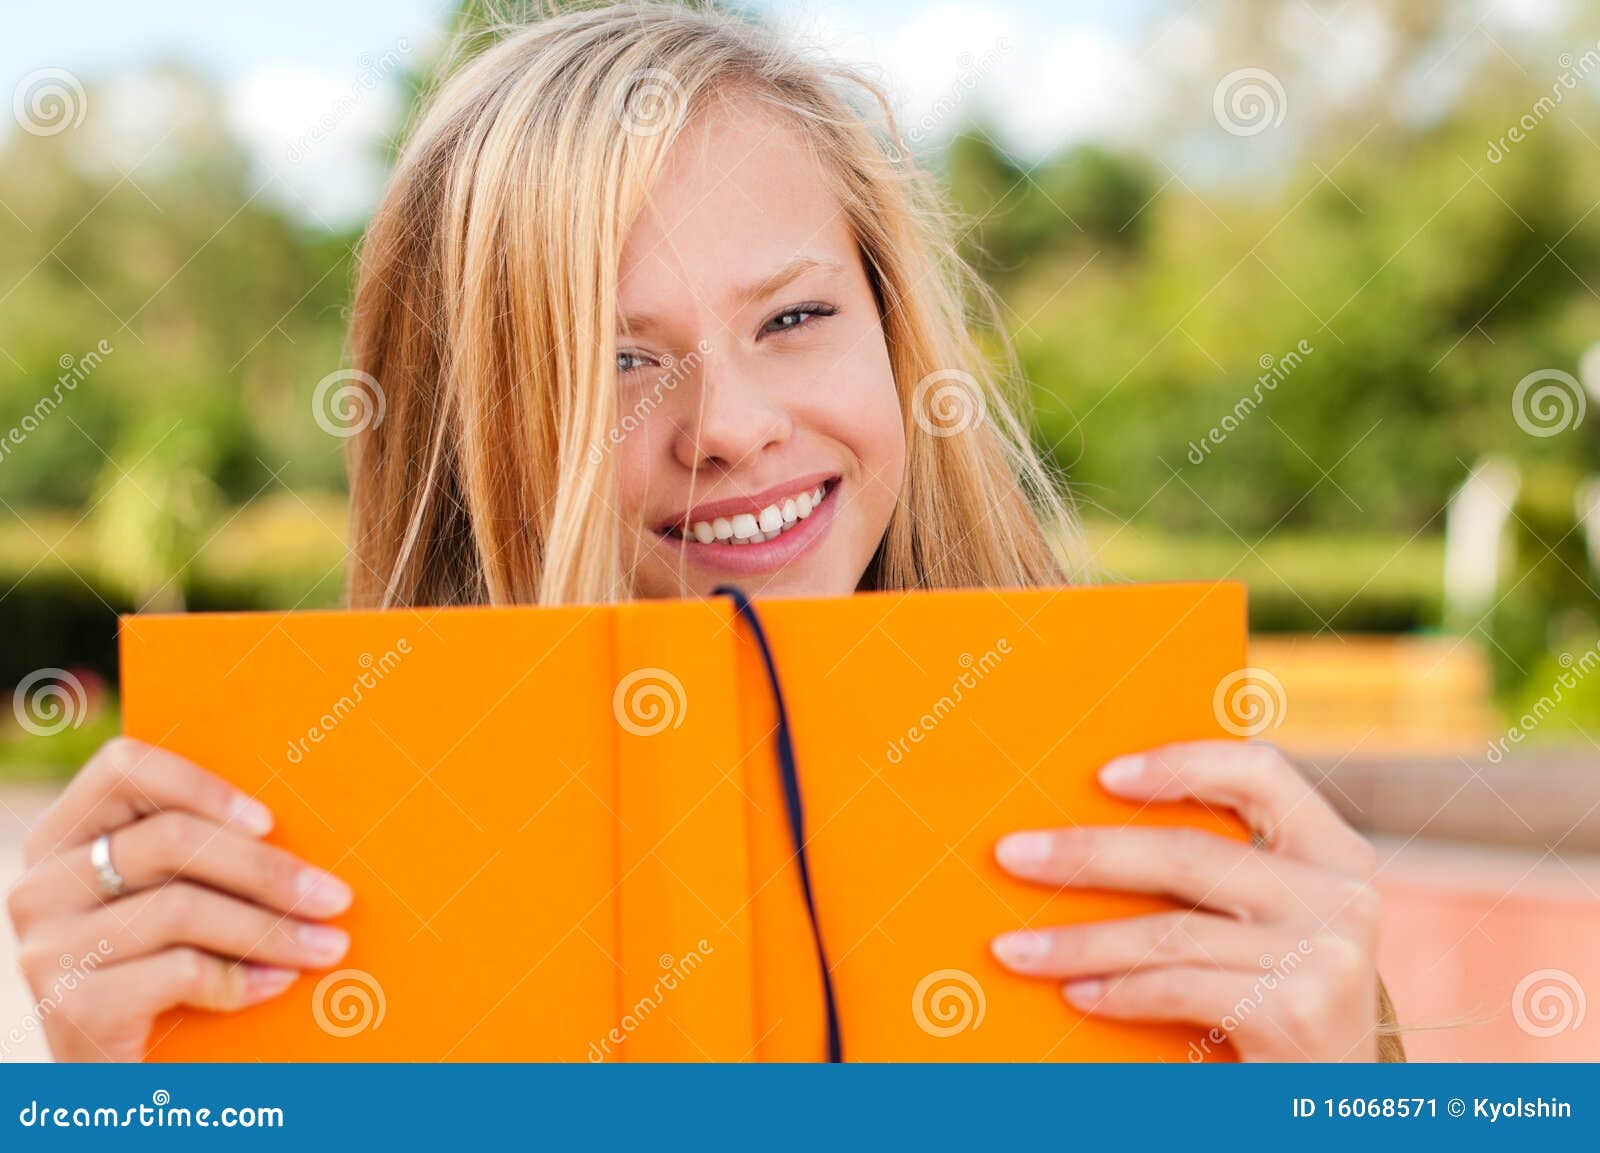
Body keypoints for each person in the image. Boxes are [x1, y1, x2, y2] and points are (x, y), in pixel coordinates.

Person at [5, 1, 1402, 1062]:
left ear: (899, 335)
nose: (728, 425)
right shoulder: (281, 877)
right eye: (615, 361)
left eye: (794, 318)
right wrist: (115, 1107)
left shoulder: (1176, 840)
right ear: (459, 432)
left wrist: (1348, 1107)